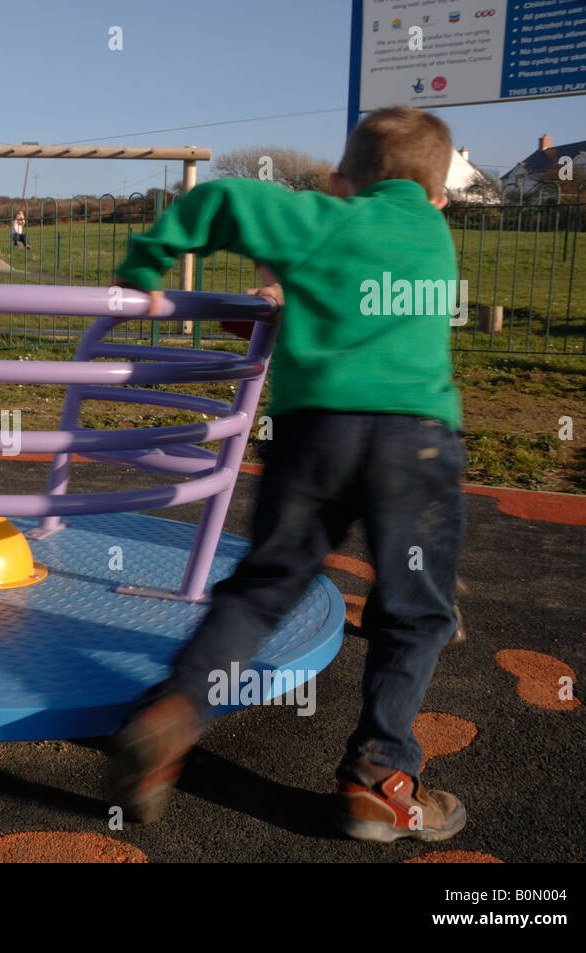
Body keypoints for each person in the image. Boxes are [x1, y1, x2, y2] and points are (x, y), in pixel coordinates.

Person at [108, 105, 468, 842]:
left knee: (265, 585)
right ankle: (378, 775)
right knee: (417, 610)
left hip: (313, 436)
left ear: (341, 181)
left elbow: (222, 199)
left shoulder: (324, 219)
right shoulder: (435, 232)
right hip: (416, 443)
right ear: (438, 197)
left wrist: (144, 267)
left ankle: (172, 711)